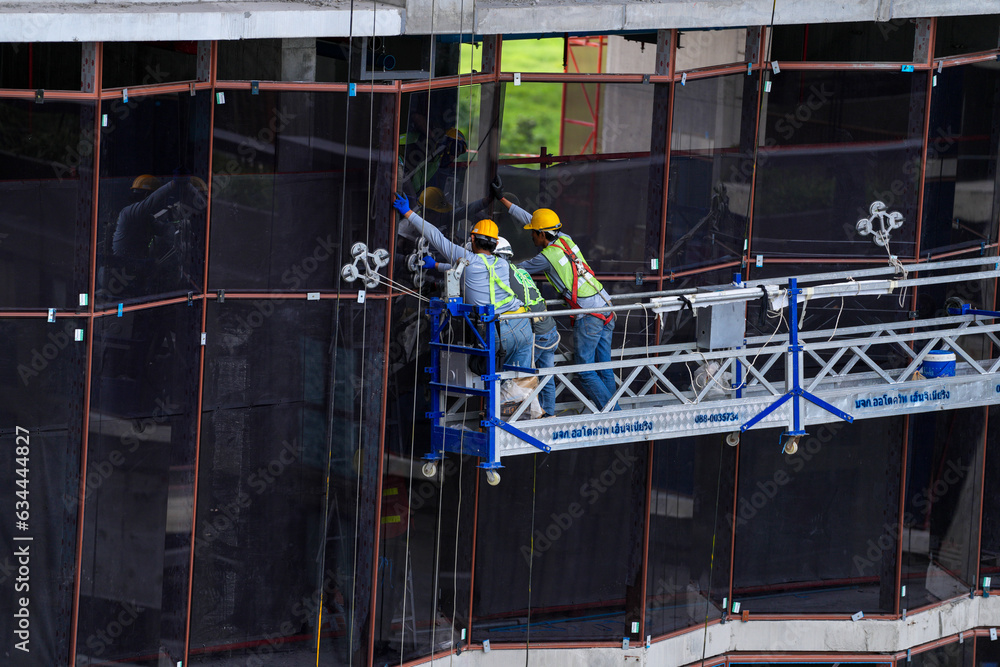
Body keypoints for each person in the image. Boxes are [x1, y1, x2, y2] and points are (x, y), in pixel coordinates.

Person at [495, 185, 618, 411]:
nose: (531, 235)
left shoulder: (546, 257)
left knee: (585, 370)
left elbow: (513, 271)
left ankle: (612, 414)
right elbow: (534, 219)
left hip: (589, 316)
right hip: (605, 304)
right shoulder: (565, 239)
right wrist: (504, 200)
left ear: (542, 235)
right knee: (604, 367)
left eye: (533, 232)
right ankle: (615, 414)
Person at [392, 192, 534, 371]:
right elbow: (472, 270)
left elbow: (435, 236)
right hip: (521, 324)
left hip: (496, 331)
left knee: (487, 377)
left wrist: (408, 213)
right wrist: (436, 265)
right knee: (522, 381)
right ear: (495, 243)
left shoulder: (468, 260)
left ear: (472, 238)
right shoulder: (503, 264)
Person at [494, 237, 558, 417]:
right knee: (546, 376)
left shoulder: (501, 275)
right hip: (549, 327)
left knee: (520, 380)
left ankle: (523, 416)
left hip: (535, 332)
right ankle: (548, 414)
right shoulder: (519, 270)